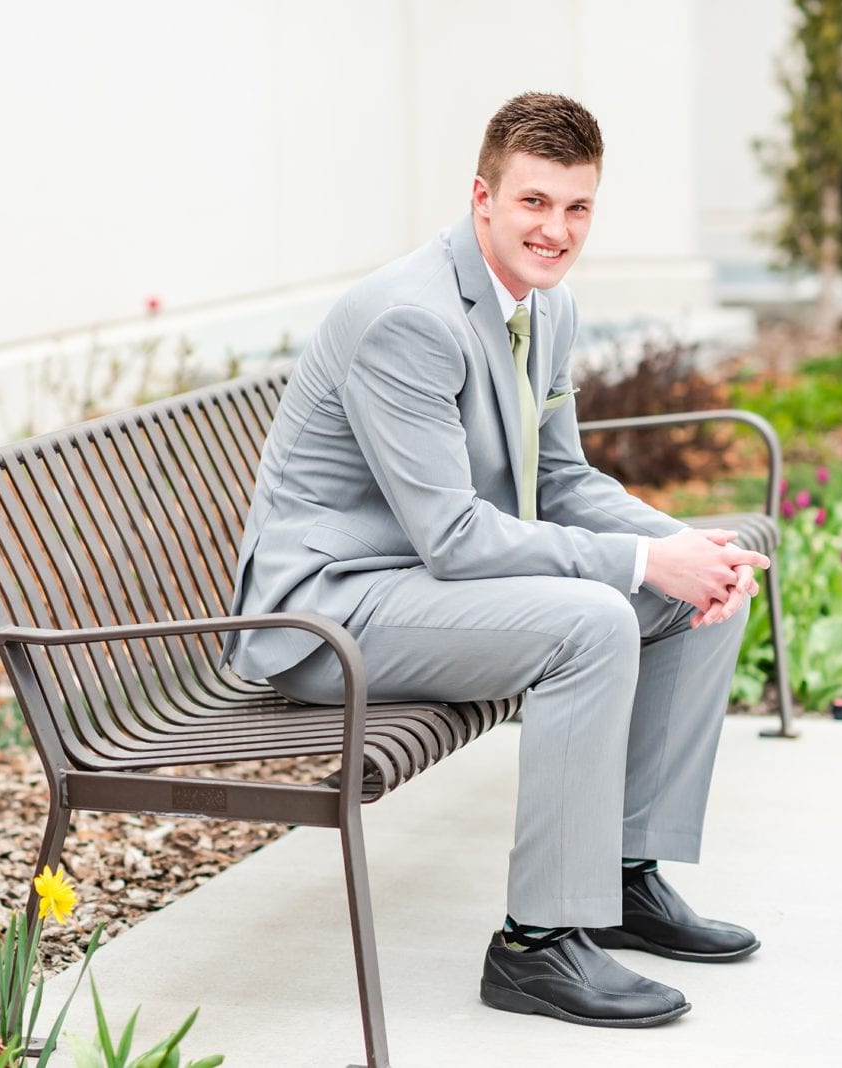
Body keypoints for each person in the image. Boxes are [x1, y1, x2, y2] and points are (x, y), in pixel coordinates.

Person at [222, 92, 768, 1028]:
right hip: (328, 615)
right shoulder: (412, 318)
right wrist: (639, 565)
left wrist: (675, 548)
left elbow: (562, 478)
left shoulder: (543, 308)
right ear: (484, 197)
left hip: (423, 591)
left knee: (705, 580)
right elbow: (455, 536)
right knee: (598, 619)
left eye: (577, 207)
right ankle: (535, 947)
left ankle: (621, 877)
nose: (555, 230)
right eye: (533, 202)